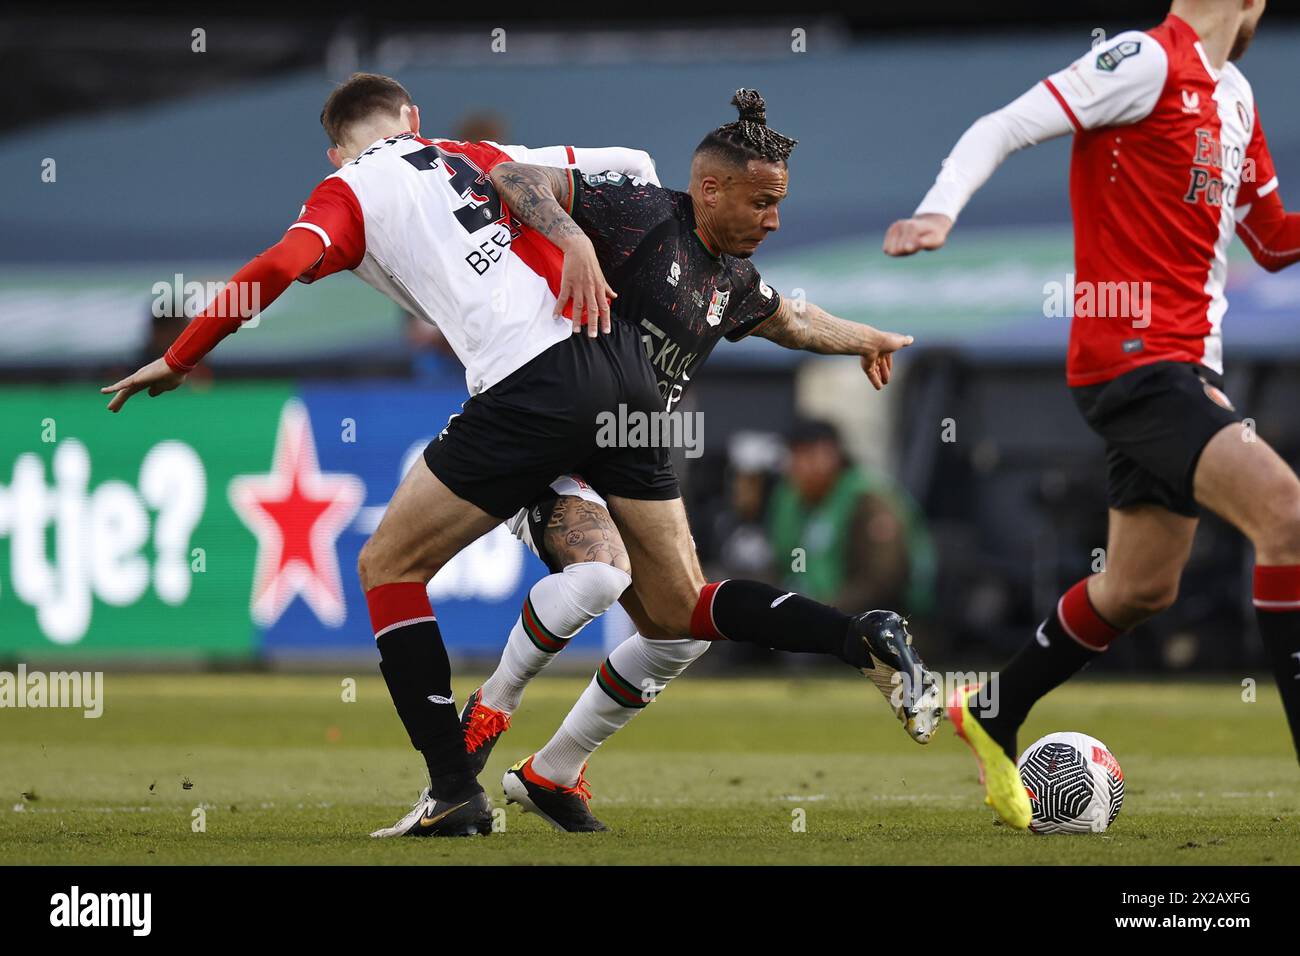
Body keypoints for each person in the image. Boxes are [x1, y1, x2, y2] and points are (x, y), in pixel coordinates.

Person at [100, 72, 693, 839]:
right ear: (413, 117)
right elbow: (637, 164)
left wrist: (182, 358)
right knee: (676, 611)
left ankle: (454, 789)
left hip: (530, 383)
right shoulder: (474, 150)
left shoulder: (344, 191)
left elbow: (278, 268)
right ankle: (835, 638)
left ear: (333, 148)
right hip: (621, 367)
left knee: (388, 566)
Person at [459, 91, 941, 832]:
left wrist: (865, 340)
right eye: (762, 202)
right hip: (551, 438)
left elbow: (795, 320)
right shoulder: (642, 212)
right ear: (710, 188)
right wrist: (575, 241)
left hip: (634, 455)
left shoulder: (733, 279)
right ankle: (492, 703)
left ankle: (552, 774)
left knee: (679, 626)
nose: (773, 220)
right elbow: (516, 179)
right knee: (601, 572)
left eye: (779, 204)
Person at [885, 0, 1300, 830]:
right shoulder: (1143, 62)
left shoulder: (1238, 95)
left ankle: (994, 710)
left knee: (1141, 586)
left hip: (1185, 367)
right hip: (1133, 358)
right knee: (1286, 513)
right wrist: (941, 208)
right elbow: (1003, 125)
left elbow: (1274, 240)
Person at [768, 418, 934, 618]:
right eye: (795, 458)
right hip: (819, 616)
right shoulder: (793, 500)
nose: (799, 468)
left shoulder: (868, 501)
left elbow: (881, 583)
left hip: (886, 623)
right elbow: (782, 563)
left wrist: (818, 609)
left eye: (808, 456)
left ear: (831, 455)